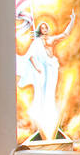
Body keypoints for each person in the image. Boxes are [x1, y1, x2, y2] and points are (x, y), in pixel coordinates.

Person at [17, 12, 75, 141]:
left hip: (51, 68)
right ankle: (40, 125)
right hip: (41, 72)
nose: (44, 29)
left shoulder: (50, 40)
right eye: (42, 27)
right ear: (40, 30)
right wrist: (37, 68)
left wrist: (72, 21)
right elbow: (30, 56)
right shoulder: (36, 42)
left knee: (50, 92)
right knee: (40, 92)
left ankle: (51, 123)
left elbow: (65, 34)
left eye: (46, 27)